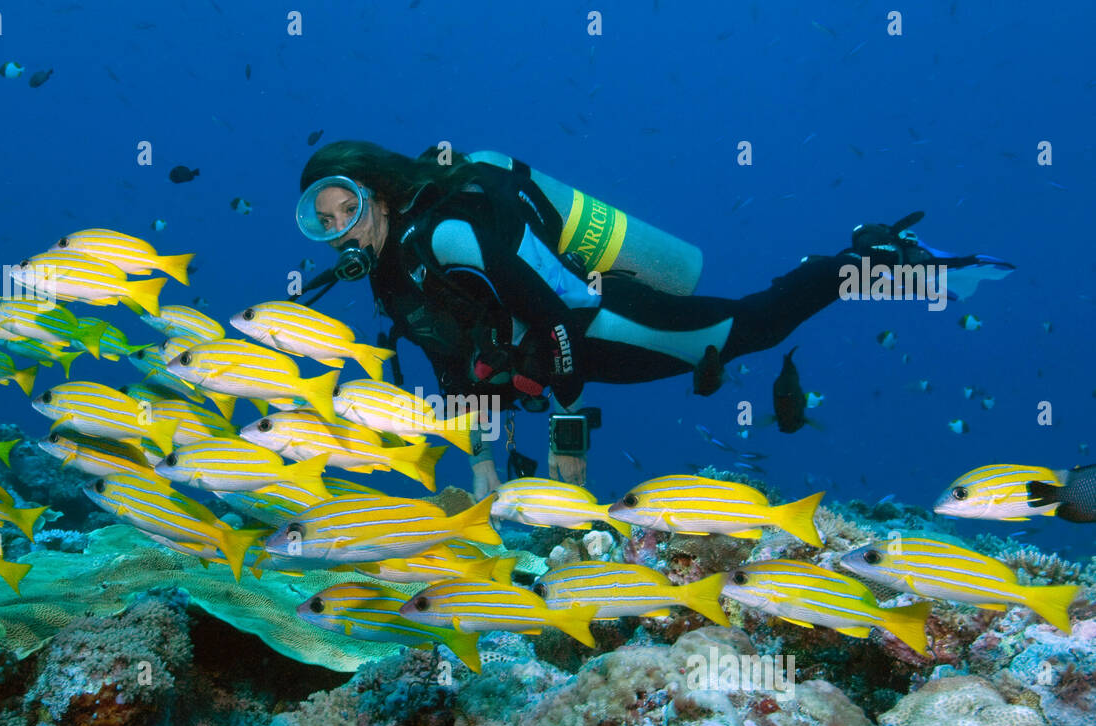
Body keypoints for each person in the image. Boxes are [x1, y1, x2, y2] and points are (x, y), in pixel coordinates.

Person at [294, 141, 1013, 499]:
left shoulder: (451, 232)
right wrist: (483, 467)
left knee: (748, 330)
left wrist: (563, 450)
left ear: (378, 194)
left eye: (347, 208)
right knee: (736, 330)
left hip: (606, 322)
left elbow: (561, 309)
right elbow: (454, 368)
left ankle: (874, 255)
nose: (341, 231)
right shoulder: (391, 283)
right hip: (550, 356)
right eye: (322, 223)